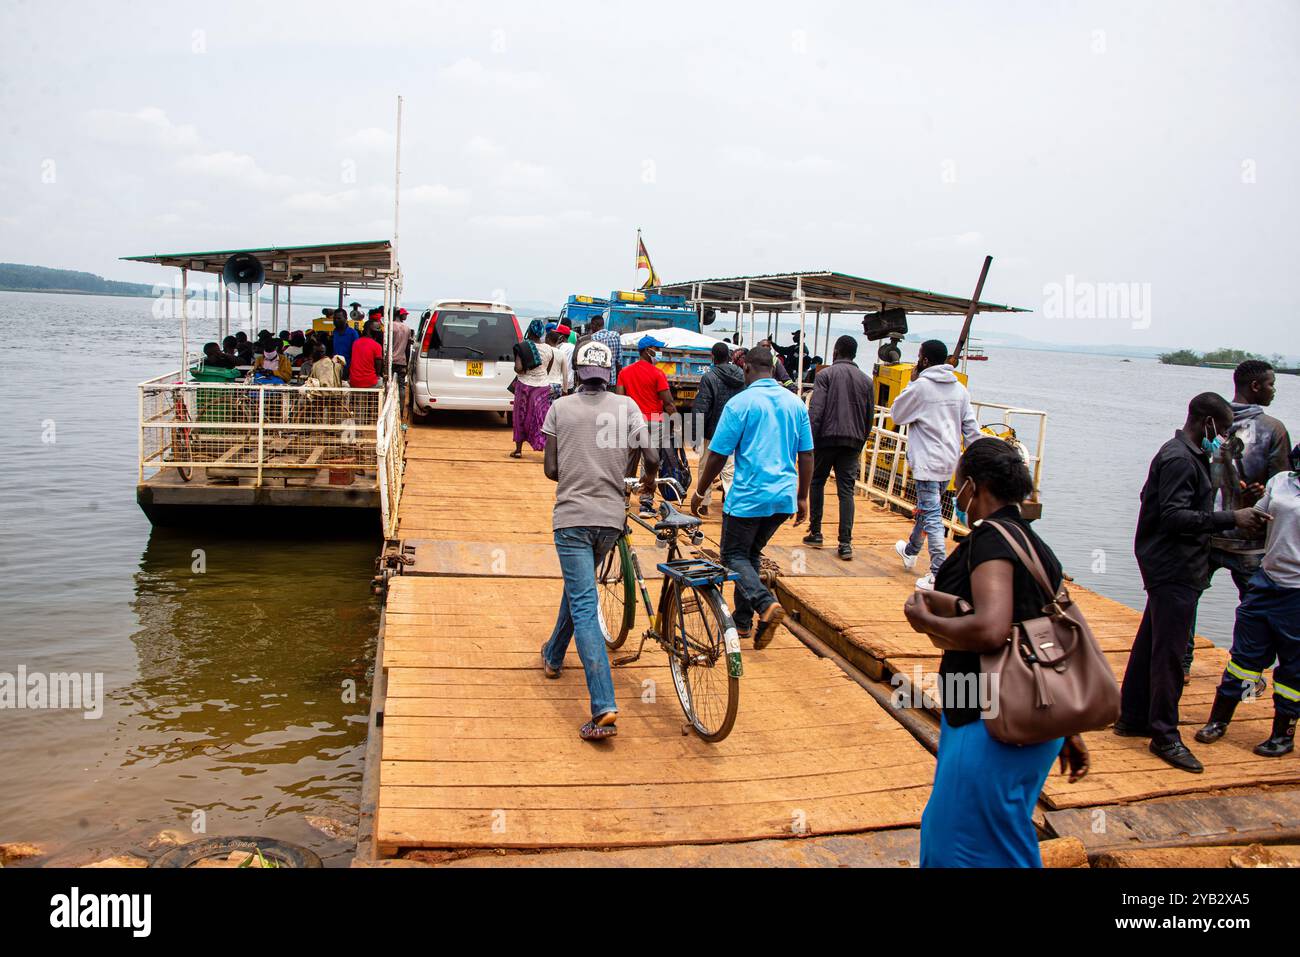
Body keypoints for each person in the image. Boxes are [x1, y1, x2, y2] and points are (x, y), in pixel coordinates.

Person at [903, 438, 1091, 867]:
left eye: (958, 485)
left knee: (953, 843)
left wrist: (923, 619)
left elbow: (991, 629)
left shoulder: (990, 542)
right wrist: (1066, 726)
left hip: (990, 718)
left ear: (975, 485)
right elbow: (1053, 636)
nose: (956, 494)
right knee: (1004, 837)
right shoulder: (1036, 547)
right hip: (1036, 716)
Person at [1117, 392, 1271, 772]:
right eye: (1222, 430)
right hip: (1174, 564)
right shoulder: (1180, 459)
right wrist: (1231, 519)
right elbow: (1173, 516)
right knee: (1169, 652)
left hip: (1170, 561)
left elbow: (1151, 500)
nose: (1223, 438)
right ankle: (1165, 735)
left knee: (1151, 639)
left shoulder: (1184, 454)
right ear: (1206, 423)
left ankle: (1133, 716)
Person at [541, 338, 656, 740]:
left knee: (586, 607)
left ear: (576, 371)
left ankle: (603, 707)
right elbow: (653, 456)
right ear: (609, 374)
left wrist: (578, 470)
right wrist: (645, 483)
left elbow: (551, 470)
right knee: (581, 590)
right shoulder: (626, 408)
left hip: (571, 519)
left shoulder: (559, 408)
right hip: (610, 521)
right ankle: (553, 654)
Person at [694, 346, 813, 649]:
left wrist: (699, 491)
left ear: (746, 369)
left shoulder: (740, 404)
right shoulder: (795, 403)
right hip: (782, 499)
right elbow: (807, 453)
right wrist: (803, 498)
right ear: (773, 370)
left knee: (732, 556)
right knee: (750, 554)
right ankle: (743, 623)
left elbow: (718, 455)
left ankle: (765, 603)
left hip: (748, 497)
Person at [1186, 360, 1293, 677]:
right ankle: (1243, 670)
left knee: (1189, 597)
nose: (1274, 390)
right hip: (1248, 535)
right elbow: (1284, 486)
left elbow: (1193, 468)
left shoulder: (1209, 421)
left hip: (1205, 525)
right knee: (1255, 608)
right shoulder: (1273, 429)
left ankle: (1182, 663)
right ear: (1256, 386)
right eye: (1272, 384)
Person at [1196, 443, 1300, 757]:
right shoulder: (1282, 480)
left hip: (1297, 593)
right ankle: (1219, 719)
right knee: (1245, 659)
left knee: (1293, 671)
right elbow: (1259, 514)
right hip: (1267, 580)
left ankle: (1283, 733)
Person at [890, 339, 983, 590]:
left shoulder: (920, 387)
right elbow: (971, 430)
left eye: (919, 356)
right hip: (949, 461)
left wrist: (911, 381)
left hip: (927, 461)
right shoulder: (960, 390)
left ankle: (938, 572)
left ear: (925, 360)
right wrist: (982, 457)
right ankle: (911, 550)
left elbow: (897, 414)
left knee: (931, 514)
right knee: (927, 508)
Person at [804, 335, 875, 560]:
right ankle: (845, 543)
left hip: (826, 439)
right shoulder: (866, 381)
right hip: (852, 441)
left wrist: (808, 443)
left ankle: (816, 532)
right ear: (853, 354)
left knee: (817, 482)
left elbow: (816, 412)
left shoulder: (825, 375)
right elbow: (869, 417)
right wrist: (860, 441)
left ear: (835, 352)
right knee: (846, 491)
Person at [617, 335, 677, 516]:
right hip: (654, 422)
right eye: (656, 349)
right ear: (646, 350)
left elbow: (621, 400)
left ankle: (623, 499)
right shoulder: (658, 374)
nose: (658, 352)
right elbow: (668, 403)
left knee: (629, 461)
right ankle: (646, 503)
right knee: (650, 463)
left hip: (632, 422)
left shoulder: (625, 373)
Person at [691, 340, 746, 514]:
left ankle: (704, 504)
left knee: (706, 467)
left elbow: (702, 407)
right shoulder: (742, 375)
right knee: (730, 469)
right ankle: (730, 507)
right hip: (735, 431)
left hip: (712, 432)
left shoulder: (709, 377)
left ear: (712, 357)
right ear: (729, 357)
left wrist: (695, 434)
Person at [511, 319, 557, 458]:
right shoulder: (549, 349)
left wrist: (520, 368)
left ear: (529, 331)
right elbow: (548, 369)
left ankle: (518, 450)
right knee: (541, 418)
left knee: (520, 417)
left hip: (525, 386)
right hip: (542, 388)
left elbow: (519, 369)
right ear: (542, 333)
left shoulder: (523, 346)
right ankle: (545, 450)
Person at [583, 315, 622, 386]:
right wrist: (619, 382)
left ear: (593, 325)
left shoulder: (593, 338)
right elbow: (619, 361)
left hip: (598, 382)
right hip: (612, 381)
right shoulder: (615, 335)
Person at [349, 321, 385, 390]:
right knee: (382, 382)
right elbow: (378, 365)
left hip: (354, 381)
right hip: (370, 382)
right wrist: (377, 375)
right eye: (377, 329)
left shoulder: (355, 343)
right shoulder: (377, 346)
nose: (379, 331)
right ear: (371, 330)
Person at [390, 307, 412, 401]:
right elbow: (407, 348)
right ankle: (402, 409)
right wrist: (407, 363)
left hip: (391, 361)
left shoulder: (390, 326)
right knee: (401, 386)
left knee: (389, 384)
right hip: (401, 361)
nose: (406, 316)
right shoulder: (407, 329)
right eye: (405, 314)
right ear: (400, 314)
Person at [331, 310, 360, 376]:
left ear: (346, 319)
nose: (336, 320)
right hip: (335, 367)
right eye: (334, 318)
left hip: (348, 368)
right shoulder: (334, 333)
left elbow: (356, 353)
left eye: (339, 318)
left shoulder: (353, 333)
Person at [553, 324, 576, 392]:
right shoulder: (574, 347)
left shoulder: (558, 347)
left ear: (561, 336)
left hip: (558, 383)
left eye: (557, 334)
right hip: (570, 383)